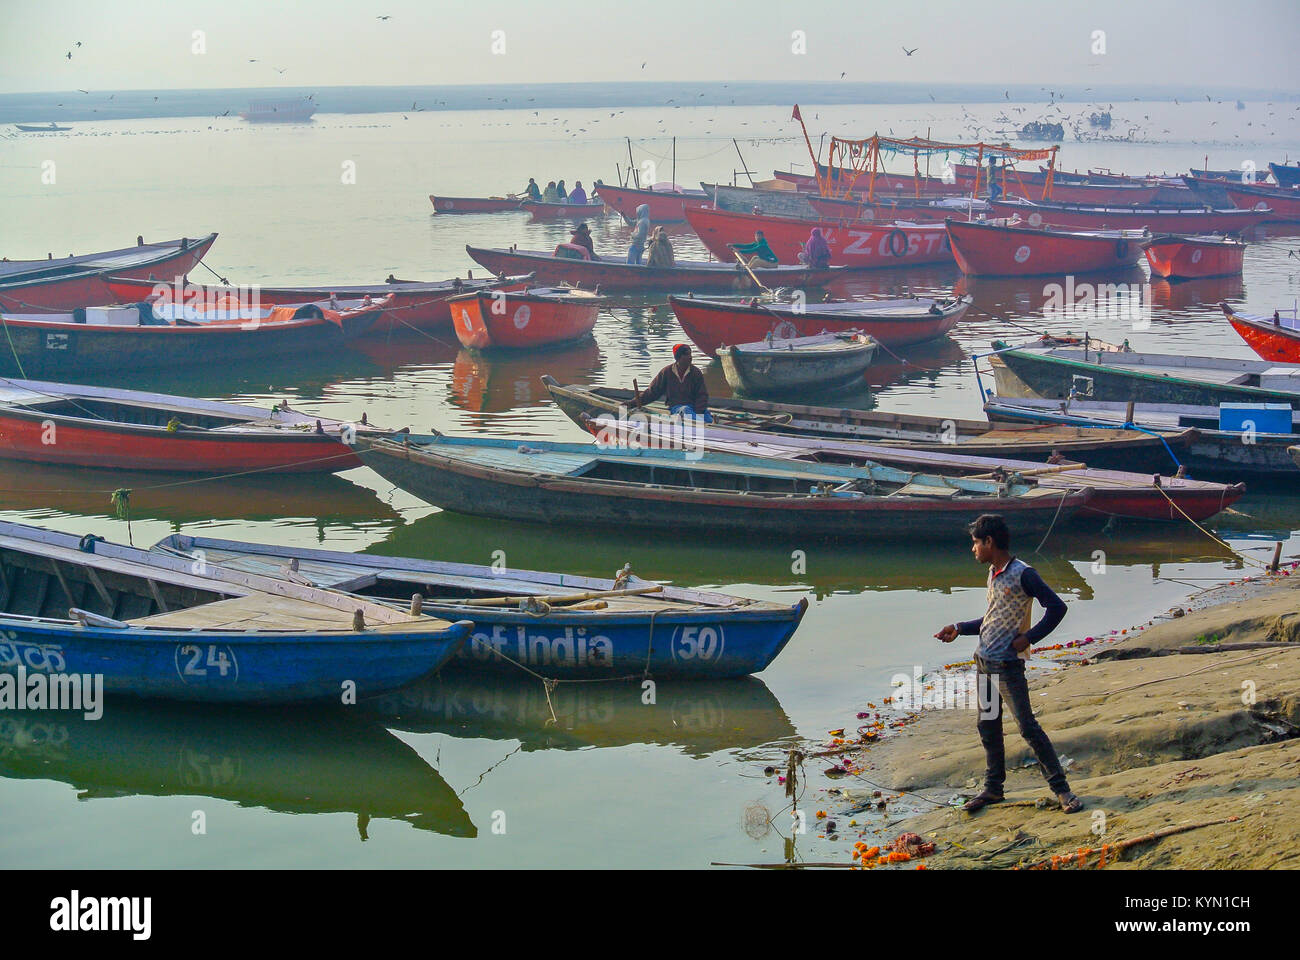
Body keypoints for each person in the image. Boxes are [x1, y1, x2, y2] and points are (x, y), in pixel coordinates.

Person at [934, 515, 1083, 815]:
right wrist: (959, 627)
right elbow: (992, 619)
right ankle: (993, 789)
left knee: (1028, 728)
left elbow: (1057, 607)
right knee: (988, 727)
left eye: (976, 543)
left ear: (989, 542)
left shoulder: (1023, 573)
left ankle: (1062, 791)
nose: (973, 549)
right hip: (985, 665)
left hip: (1007, 669)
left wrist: (1029, 637)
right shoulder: (993, 573)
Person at [632, 344, 712, 421]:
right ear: (678, 357)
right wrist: (633, 403)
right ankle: (702, 424)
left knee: (706, 415)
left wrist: (698, 411)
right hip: (676, 407)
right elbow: (652, 392)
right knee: (685, 410)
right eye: (686, 355)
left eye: (690, 354)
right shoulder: (667, 372)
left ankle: (705, 423)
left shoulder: (696, 372)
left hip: (694, 407)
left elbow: (702, 395)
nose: (690, 357)